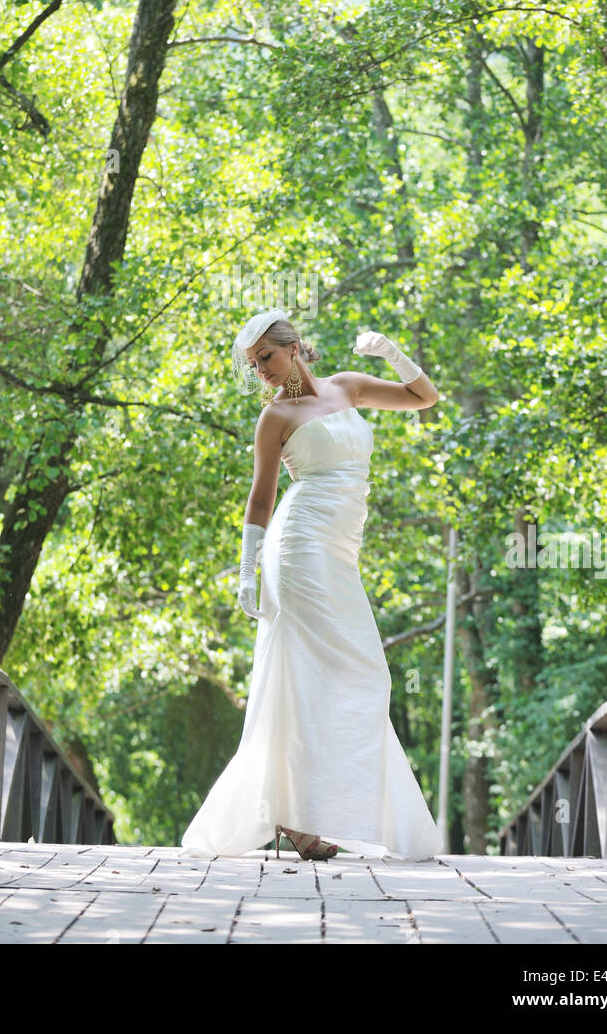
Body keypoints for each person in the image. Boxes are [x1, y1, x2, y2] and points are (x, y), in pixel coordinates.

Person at [179, 307, 446, 862]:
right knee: (310, 672)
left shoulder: (349, 387)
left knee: (359, 671)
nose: (264, 372)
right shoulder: (276, 416)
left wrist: (393, 353)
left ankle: (301, 815)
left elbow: (425, 398)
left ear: (294, 345)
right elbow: (261, 495)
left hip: (340, 550)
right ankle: (295, 821)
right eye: (254, 366)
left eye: (268, 358)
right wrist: (247, 567)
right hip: (298, 546)